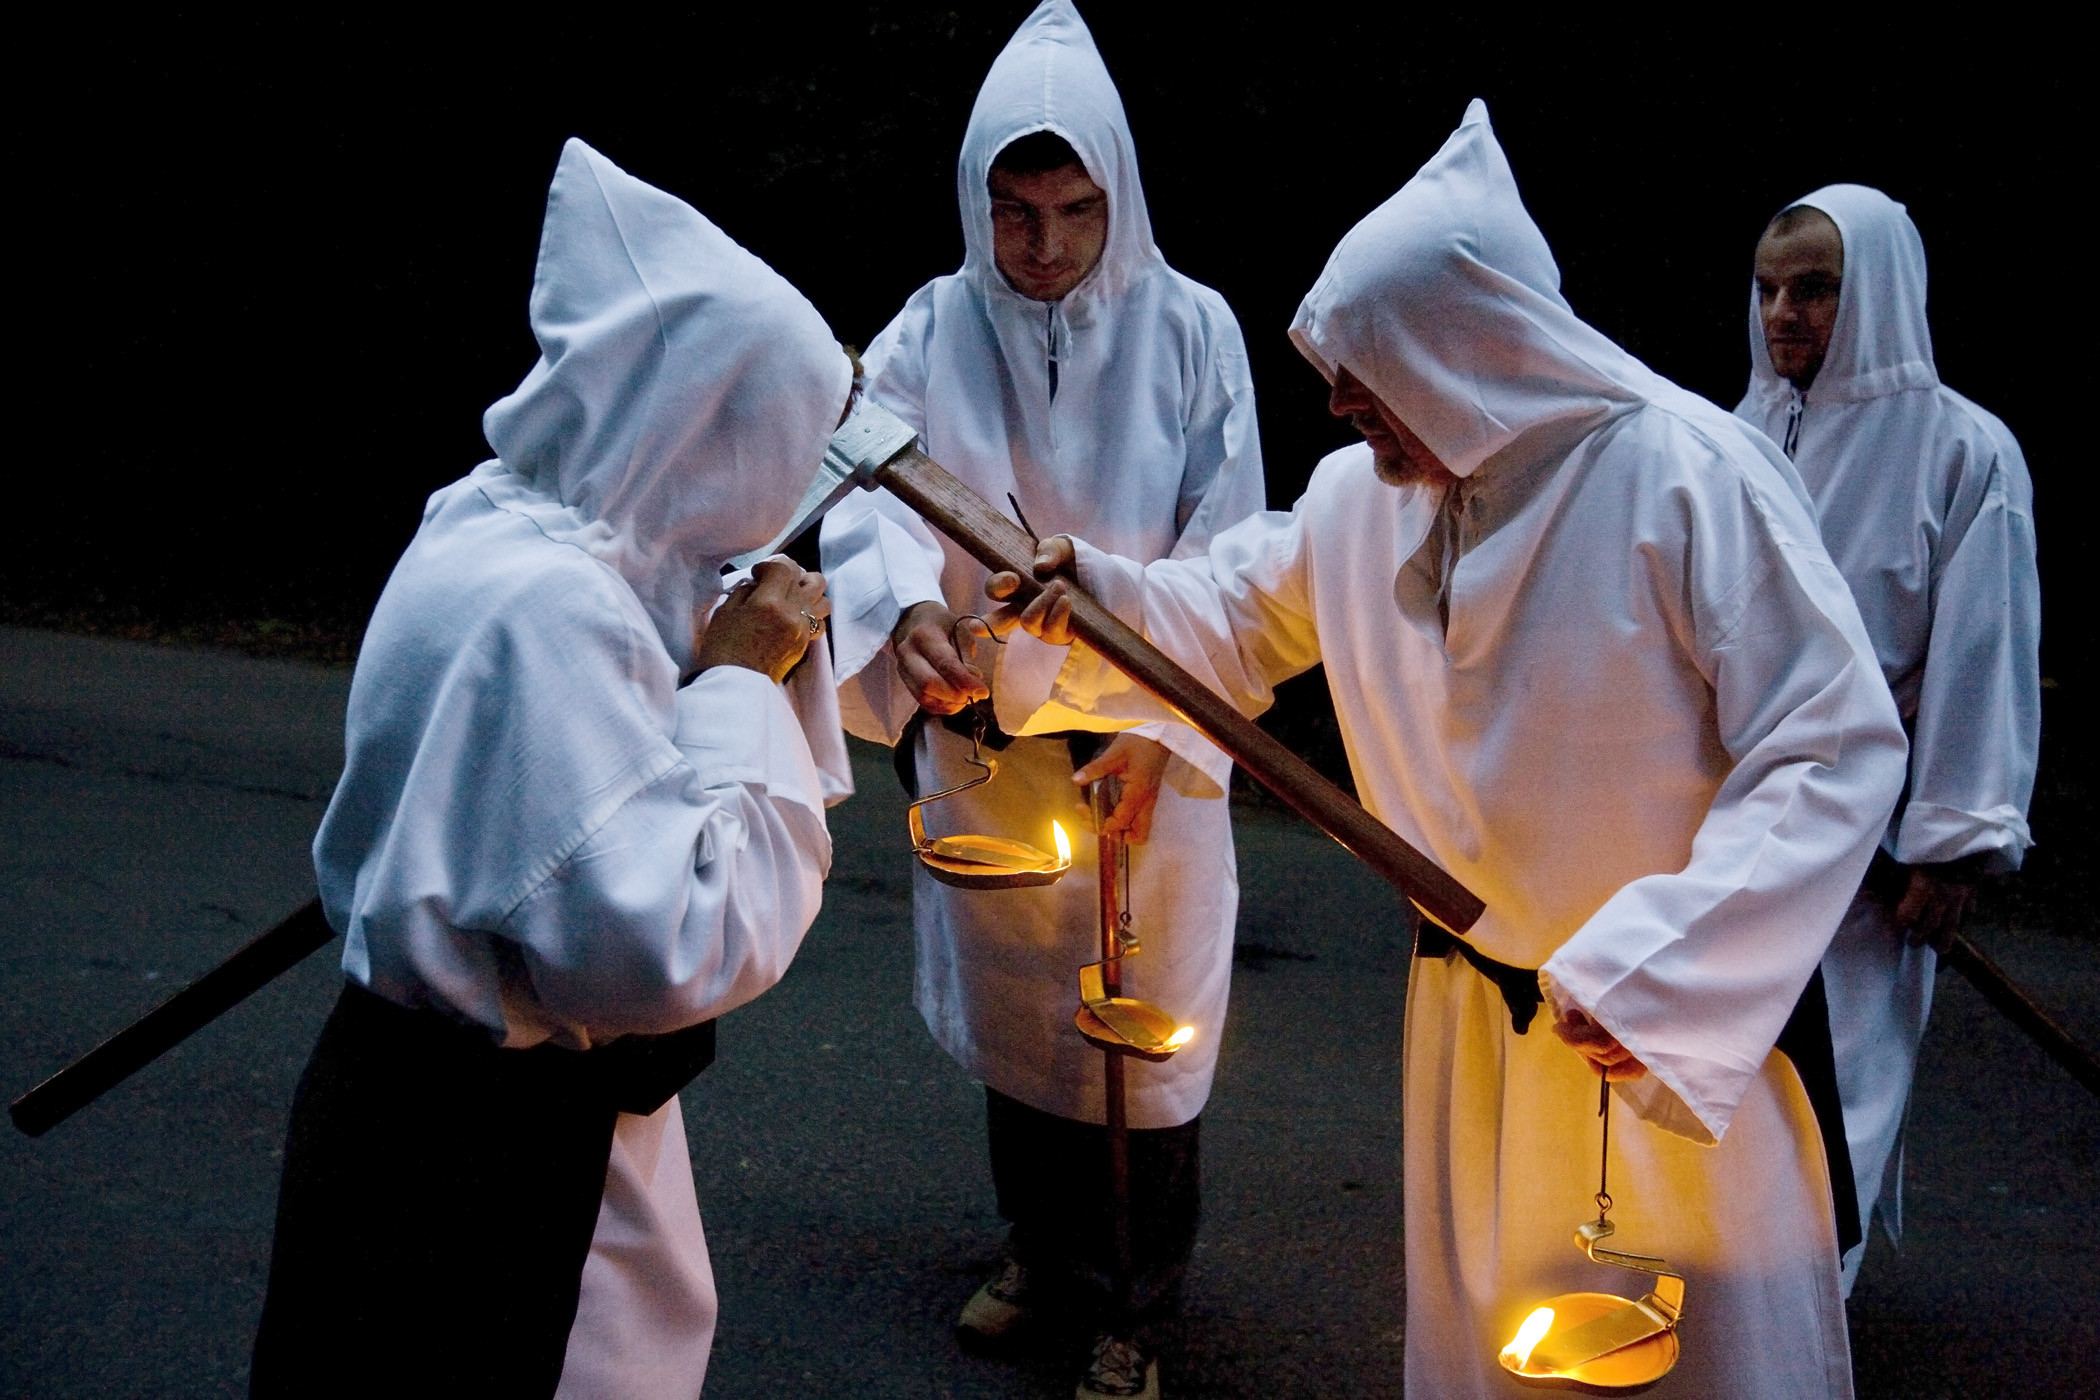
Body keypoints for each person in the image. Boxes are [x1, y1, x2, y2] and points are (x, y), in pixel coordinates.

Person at [992, 102, 1909, 1399]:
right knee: (1487, 1344)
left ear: (1469, 348)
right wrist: (1086, 597)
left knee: (1701, 1359)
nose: (1338, 395)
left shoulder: (1693, 475)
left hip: (1657, 1047)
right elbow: (1227, 618)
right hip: (1471, 1017)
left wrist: (1663, 969)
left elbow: (1830, 748)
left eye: (1371, 364)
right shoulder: (1370, 500)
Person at [249, 139, 856, 1399]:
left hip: (404, 1103)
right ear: (706, 422)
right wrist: (745, 676)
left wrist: (735, 656)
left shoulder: (493, 517)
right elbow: (671, 939)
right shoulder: (553, 612)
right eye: (777, 441)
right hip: (487, 1154)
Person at [819, 3, 1263, 1393]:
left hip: (1142, 734)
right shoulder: (932, 325)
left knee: (1143, 1022)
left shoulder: (1193, 331)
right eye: (1015, 213)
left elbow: (1234, 546)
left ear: (1118, 199)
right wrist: (904, 609)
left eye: (1076, 211)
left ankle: (1134, 1297)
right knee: (1023, 1008)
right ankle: (1042, 1251)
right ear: (977, 205)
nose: (1047, 246)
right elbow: (863, 476)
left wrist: (1161, 727)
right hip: (981, 717)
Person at [1737, 187, 2040, 1295]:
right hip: (1732, 823)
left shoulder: (1964, 452)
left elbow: (1982, 649)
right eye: (1769, 288)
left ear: (1880, 290)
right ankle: (1733, 1303)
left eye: (1814, 287)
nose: (1783, 313)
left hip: (1867, 854)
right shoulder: (1740, 435)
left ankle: (1808, 1310)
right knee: (1730, 1071)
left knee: (1842, 1081)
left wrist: (1953, 837)